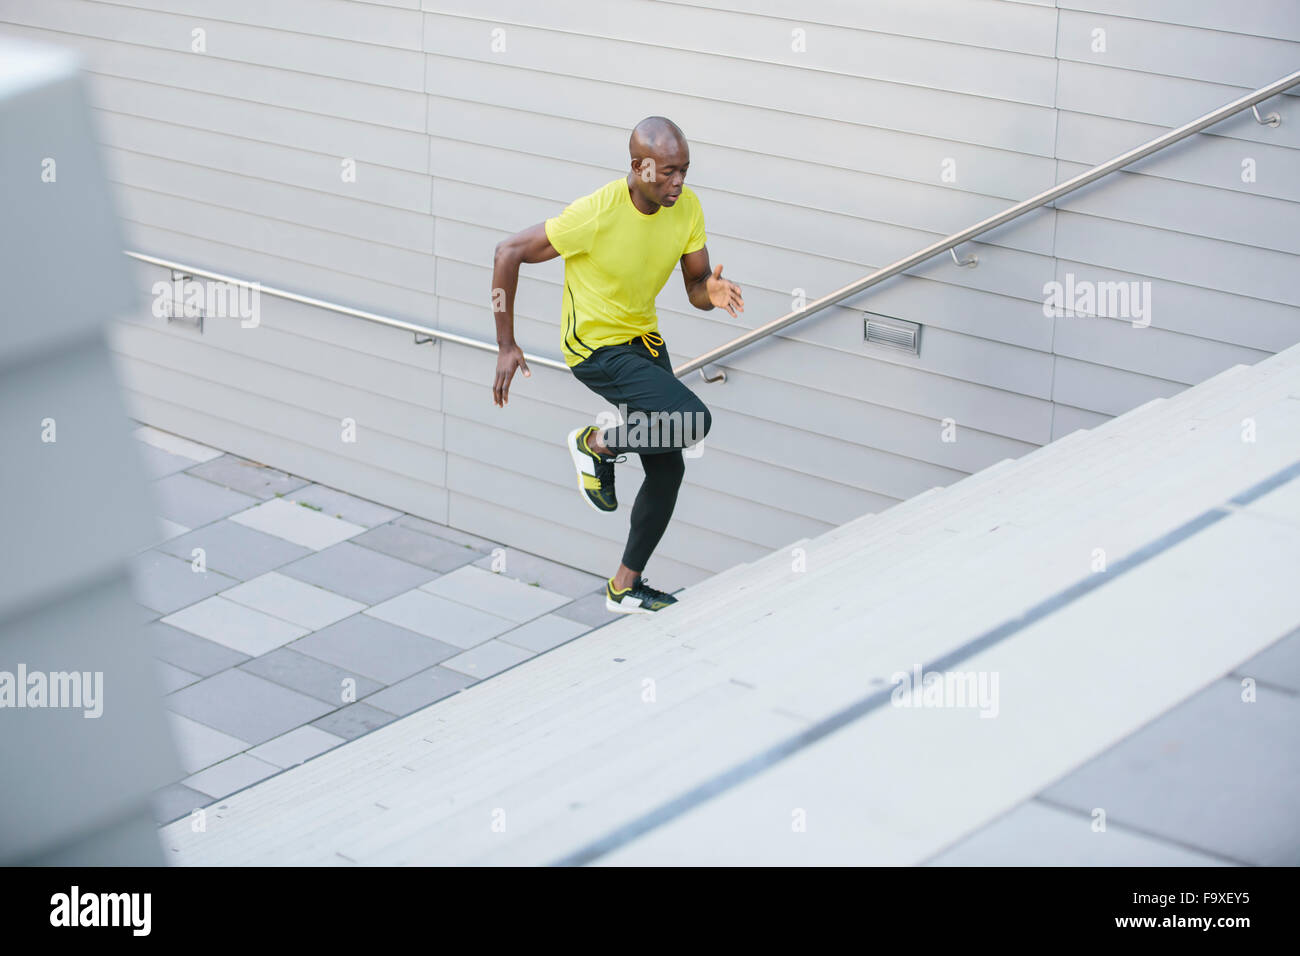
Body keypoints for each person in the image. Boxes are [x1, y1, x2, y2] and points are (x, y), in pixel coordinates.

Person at [490, 116, 744, 613]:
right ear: (638, 166)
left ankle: (624, 585)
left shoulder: (686, 208)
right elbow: (508, 251)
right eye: (669, 172)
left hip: (644, 343)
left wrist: (708, 293)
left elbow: (694, 287)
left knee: (668, 467)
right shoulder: (595, 213)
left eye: (685, 171)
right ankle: (596, 444)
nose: (679, 183)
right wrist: (506, 343)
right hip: (596, 348)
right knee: (693, 420)